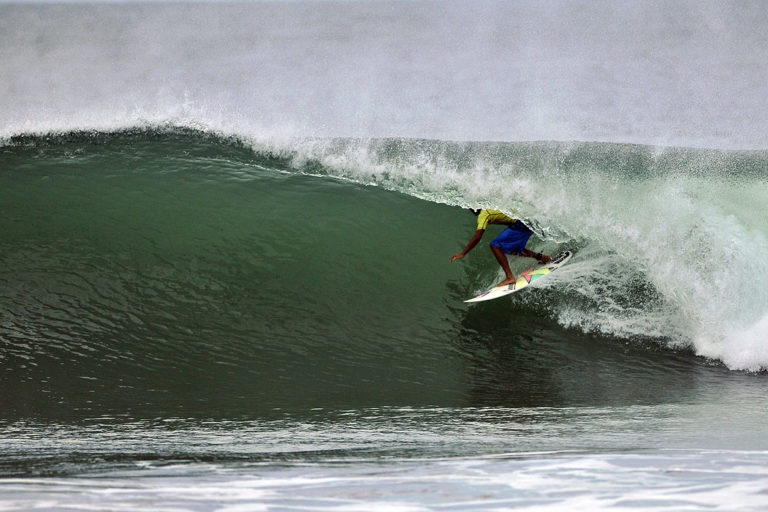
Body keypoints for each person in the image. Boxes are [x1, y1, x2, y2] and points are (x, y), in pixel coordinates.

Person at [450, 209, 551, 287]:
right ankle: (542, 258)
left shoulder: (483, 215)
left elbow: (477, 236)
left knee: (495, 245)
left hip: (523, 223)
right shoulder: (491, 207)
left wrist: (463, 253)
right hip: (529, 221)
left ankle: (510, 277)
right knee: (508, 248)